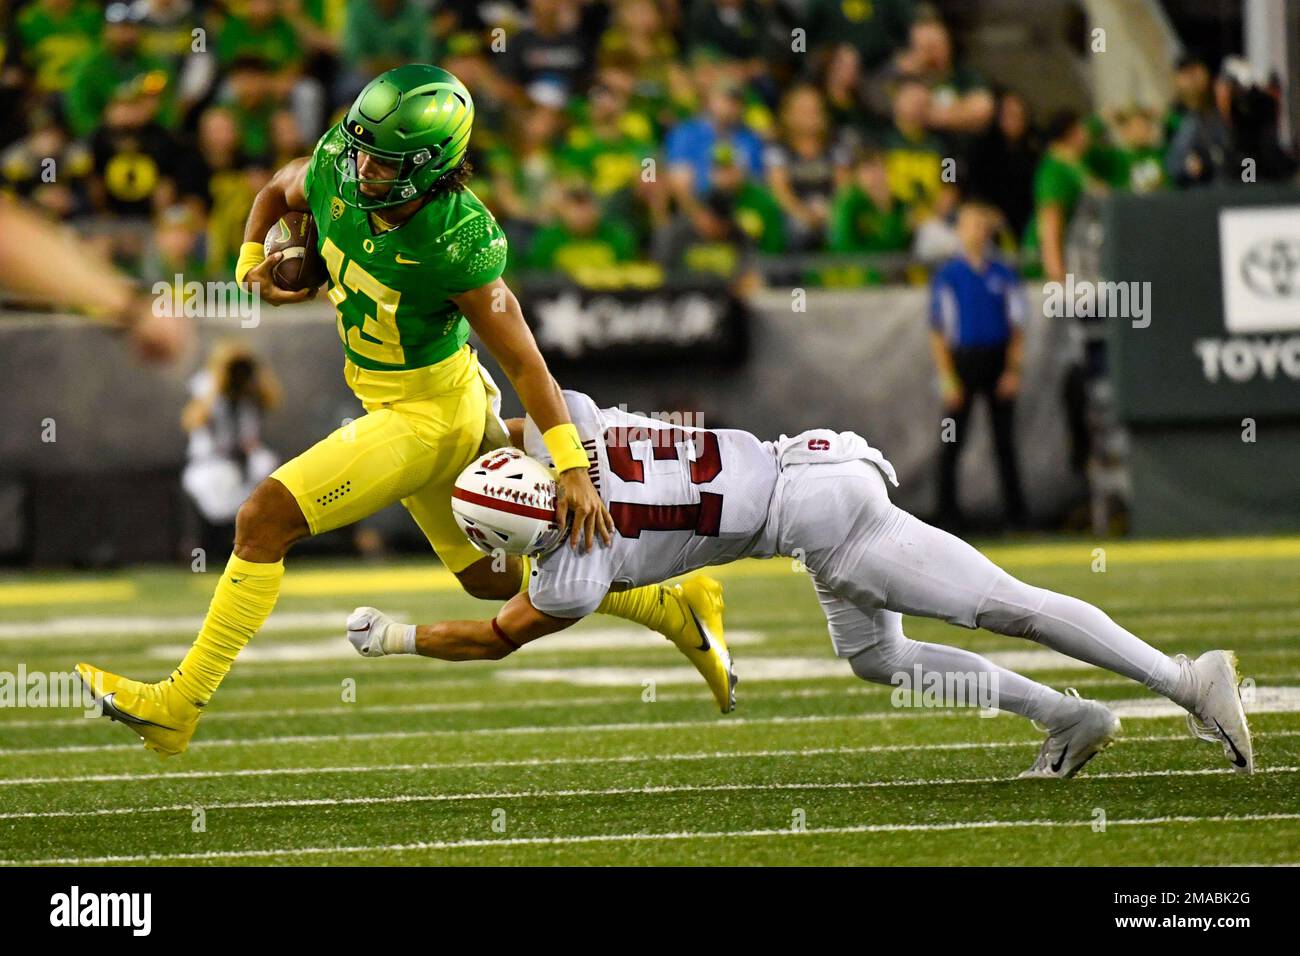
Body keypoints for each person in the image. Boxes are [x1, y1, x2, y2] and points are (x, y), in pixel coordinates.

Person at [75, 65, 734, 758]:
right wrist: (249, 263)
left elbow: (526, 361)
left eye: (384, 164)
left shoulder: (458, 241)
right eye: (360, 150)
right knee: (493, 579)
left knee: (262, 518)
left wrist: (571, 464)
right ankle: (670, 604)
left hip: (429, 412)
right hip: (407, 397)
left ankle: (179, 704)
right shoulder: (340, 163)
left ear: (431, 168)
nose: (362, 170)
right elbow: (276, 188)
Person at [348, 391, 1255, 780]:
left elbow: (492, 633)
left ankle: (1187, 680)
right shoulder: (571, 424)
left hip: (816, 514)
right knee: (876, 657)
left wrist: (394, 637)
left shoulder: (574, 575)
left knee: (1001, 603)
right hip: (806, 472)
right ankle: (1070, 718)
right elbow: (511, 414)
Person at [929, 200, 1027, 530]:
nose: (978, 231)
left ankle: (1016, 516)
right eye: (971, 224)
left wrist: (1012, 370)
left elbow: (1017, 326)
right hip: (964, 361)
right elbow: (938, 330)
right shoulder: (949, 275)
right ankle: (947, 518)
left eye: (983, 225)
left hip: (997, 358)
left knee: (1005, 441)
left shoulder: (1003, 273)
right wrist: (948, 378)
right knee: (952, 441)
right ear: (959, 230)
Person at [181, 342, 282, 562]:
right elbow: (191, 421)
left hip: (246, 460)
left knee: (268, 470)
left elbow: (272, 399)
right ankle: (206, 553)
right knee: (216, 492)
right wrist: (218, 381)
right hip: (211, 462)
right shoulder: (207, 386)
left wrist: (254, 372)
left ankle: (260, 545)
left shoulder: (251, 388)